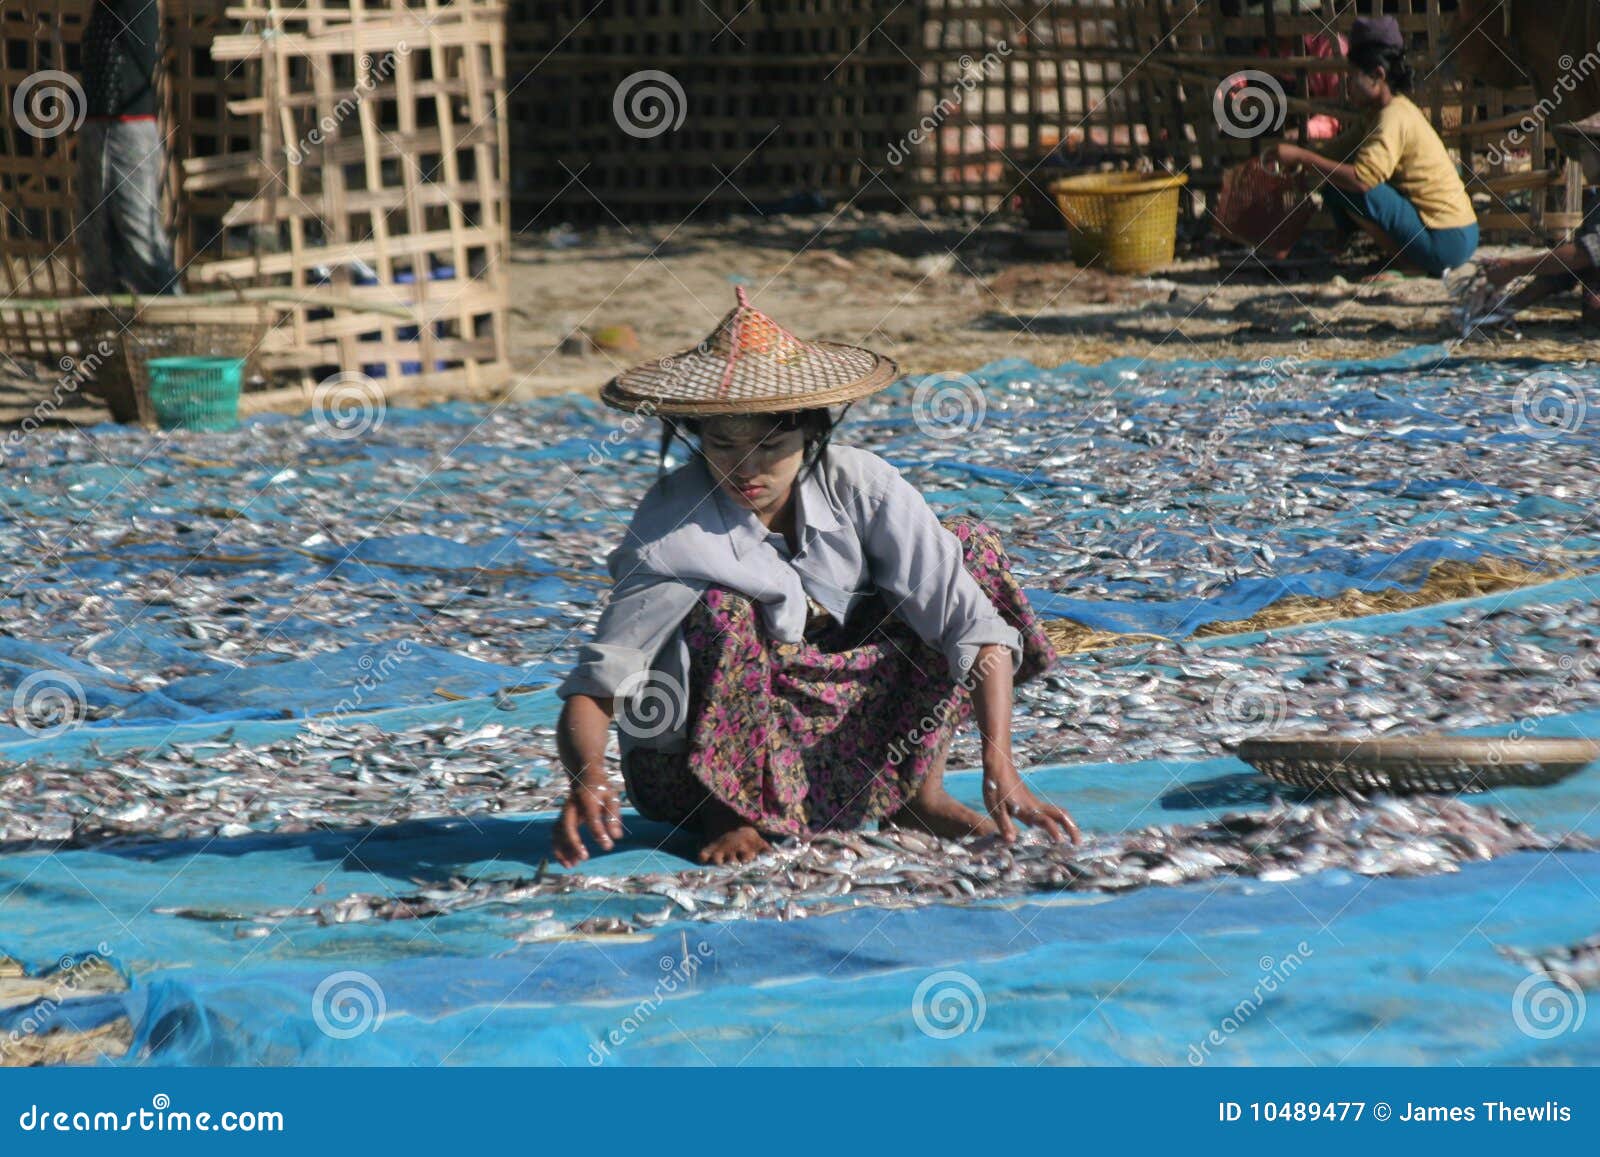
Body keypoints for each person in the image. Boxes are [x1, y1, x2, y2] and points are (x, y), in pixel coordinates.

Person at [552, 288, 1079, 867]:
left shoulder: (860, 483)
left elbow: (973, 628)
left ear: (811, 435)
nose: (747, 469)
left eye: (771, 446)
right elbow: (599, 683)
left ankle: (915, 796)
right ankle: (728, 813)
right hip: (690, 762)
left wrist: (1000, 764)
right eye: (723, 446)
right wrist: (588, 778)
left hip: (843, 736)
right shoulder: (671, 528)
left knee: (967, 546)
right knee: (721, 609)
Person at [1262, 15, 1478, 277]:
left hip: (1445, 241)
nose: (1348, 86)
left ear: (1377, 75)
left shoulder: (1392, 118)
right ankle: (1361, 246)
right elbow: (1338, 150)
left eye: (1353, 78)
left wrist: (1302, 157)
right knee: (1335, 176)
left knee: (1349, 185)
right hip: (1461, 234)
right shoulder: (1381, 114)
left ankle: (1408, 263)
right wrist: (1298, 158)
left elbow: (1363, 180)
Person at [76, 0, 180, 295]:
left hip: (127, 124)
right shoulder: (103, 11)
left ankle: (168, 311)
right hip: (99, 121)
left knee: (138, 231)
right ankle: (105, 314)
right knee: (96, 234)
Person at [1464, 115, 1600, 328]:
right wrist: (1508, 308)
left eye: (1586, 152)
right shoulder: (1595, 203)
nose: (1582, 161)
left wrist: (1513, 267)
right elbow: (1567, 270)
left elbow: (1586, 252)